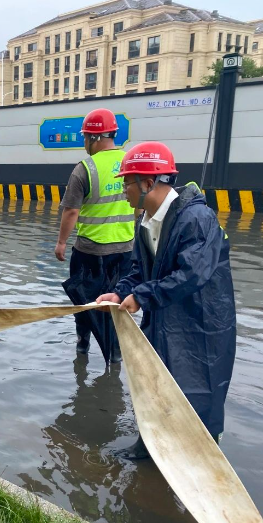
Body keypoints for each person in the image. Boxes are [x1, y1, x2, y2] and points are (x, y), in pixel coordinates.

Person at [97, 141, 236, 459]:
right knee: (154, 384)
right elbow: (139, 271)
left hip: (201, 322)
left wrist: (142, 296)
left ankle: (204, 457)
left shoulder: (197, 219)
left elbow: (192, 275)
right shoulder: (145, 220)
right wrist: (122, 291)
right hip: (164, 314)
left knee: (199, 389)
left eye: (126, 182)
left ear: (148, 183)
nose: (123, 189)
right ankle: (150, 448)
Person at [54, 108, 134, 363]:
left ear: (95, 138)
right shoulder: (130, 162)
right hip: (125, 251)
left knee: (83, 301)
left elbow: (71, 212)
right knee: (119, 301)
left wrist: (61, 243)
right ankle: (117, 350)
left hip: (90, 252)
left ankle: (83, 345)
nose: (85, 143)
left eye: (86, 137)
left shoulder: (84, 169)